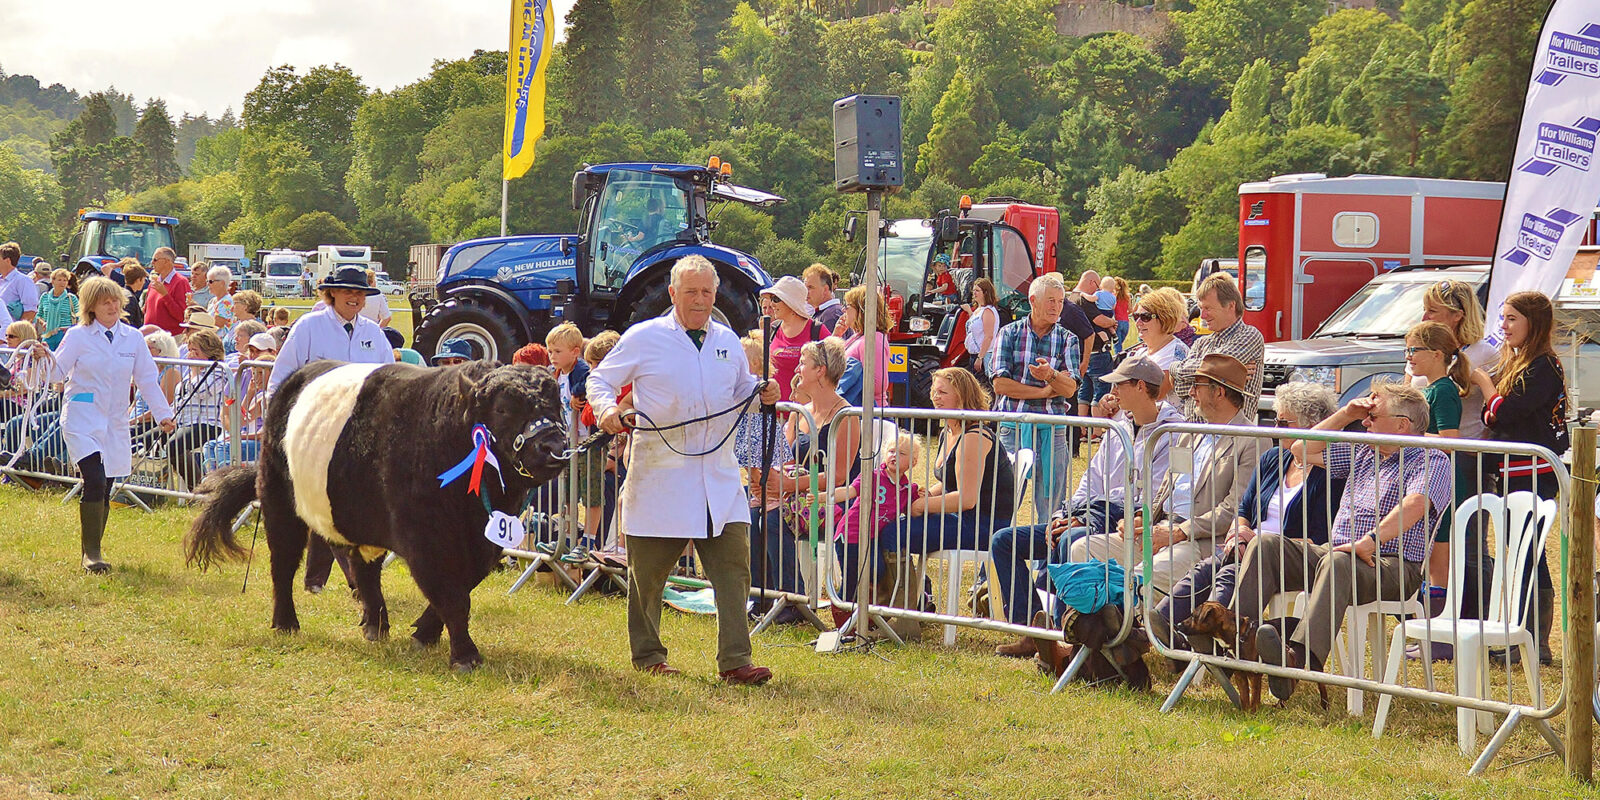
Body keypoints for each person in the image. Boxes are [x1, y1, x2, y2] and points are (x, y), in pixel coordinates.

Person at [589, 254, 780, 685]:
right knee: (649, 577)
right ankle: (648, 655)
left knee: (733, 571)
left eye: (707, 292)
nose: (700, 300)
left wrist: (762, 391)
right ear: (673, 293)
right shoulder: (644, 337)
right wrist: (605, 410)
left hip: (718, 474)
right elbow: (599, 380)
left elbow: (741, 391)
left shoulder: (728, 341)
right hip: (661, 473)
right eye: (691, 291)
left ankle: (736, 660)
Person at [1242, 382, 1453, 701]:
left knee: (1338, 561)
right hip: (1338, 553)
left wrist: (1368, 542)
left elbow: (1415, 505)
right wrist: (1344, 413)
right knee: (1266, 545)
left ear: (1401, 425)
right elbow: (1300, 449)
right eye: (1364, 415)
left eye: (1372, 415)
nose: (1365, 422)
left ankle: (1298, 660)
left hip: (1393, 565)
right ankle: (1236, 639)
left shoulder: (1430, 459)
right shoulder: (1363, 450)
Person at [989, 356, 1184, 658]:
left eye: (1120, 384)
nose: (1113, 391)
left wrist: (1085, 519)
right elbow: (1091, 477)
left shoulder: (1174, 432)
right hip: (1092, 512)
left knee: (1070, 541)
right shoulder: (1118, 427)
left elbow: (1155, 496)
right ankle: (1032, 630)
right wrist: (1065, 514)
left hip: (1125, 519)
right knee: (1004, 541)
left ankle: (1063, 636)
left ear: (1141, 387)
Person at [1147, 382, 1342, 650]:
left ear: (1313, 427)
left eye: (1284, 423)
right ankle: (1164, 623)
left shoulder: (1332, 473)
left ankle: (1210, 637)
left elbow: (1321, 537)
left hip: (1292, 557)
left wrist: (1258, 542)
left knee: (1229, 570)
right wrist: (1240, 532)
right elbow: (1243, 509)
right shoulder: (1274, 458)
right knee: (1208, 567)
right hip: (1249, 547)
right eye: (1275, 420)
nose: (1275, 429)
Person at [1070, 354, 1260, 596]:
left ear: (1219, 393)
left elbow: (1234, 508)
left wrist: (1181, 531)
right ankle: (1088, 624)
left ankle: (1114, 627)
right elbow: (1165, 489)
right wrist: (1141, 518)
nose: (1190, 393)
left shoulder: (1251, 440)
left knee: (1141, 577)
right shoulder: (1188, 432)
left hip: (1197, 541)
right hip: (1160, 529)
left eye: (1196, 386)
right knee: (1082, 548)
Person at [26, 277, 175, 572]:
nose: (112, 305)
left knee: (106, 485)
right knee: (93, 479)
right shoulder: (78, 335)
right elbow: (56, 372)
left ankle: (92, 547)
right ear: (91, 306)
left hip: (115, 421)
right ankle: (91, 554)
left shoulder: (132, 338)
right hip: (82, 417)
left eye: (115, 300)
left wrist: (163, 414)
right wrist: (42, 358)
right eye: (104, 301)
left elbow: (146, 378)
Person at [1469, 290, 1566, 664]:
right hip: (1513, 470)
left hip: (1534, 473)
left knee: (1529, 554)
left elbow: (1501, 414)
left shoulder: (1543, 365)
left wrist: (1483, 382)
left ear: (1534, 323)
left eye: (1512, 319)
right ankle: (1525, 640)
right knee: (1523, 553)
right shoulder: (1520, 360)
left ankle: (1532, 643)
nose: (1504, 326)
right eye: (1502, 318)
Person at [989, 272, 1079, 520]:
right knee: (1004, 505)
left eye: (1060, 301)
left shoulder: (1068, 339)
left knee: (1052, 510)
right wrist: (1043, 390)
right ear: (1033, 300)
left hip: (1053, 431)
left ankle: (1046, 560)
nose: (1056, 306)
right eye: (1050, 300)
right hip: (1013, 428)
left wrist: (1050, 375)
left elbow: (1070, 389)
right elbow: (1000, 385)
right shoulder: (1008, 333)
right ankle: (997, 557)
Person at [822, 431, 923, 606]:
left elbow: (915, 509)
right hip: (851, 534)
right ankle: (841, 610)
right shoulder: (873, 476)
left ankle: (864, 608)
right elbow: (849, 492)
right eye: (891, 451)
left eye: (902, 453)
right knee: (852, 577)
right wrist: (823, 497)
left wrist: (925, 496)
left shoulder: (907, 489)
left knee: (876, 570)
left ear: (912, 462)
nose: (894, 456)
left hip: (872, 538)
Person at [266, 265, 396, 398]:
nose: (354, 298)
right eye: (347, 291)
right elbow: (282, 375)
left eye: (359, 293)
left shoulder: (374, 332)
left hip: (364, 415)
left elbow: (390, 378)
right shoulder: (308, 326)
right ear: (333, 292)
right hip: (316, 413)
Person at [1171, 273, 1264, 420]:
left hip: (1230, 437)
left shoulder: (1249, 335)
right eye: (1201, 308)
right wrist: (1182, 371)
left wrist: (1178, 370)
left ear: (1230, 305)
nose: (1202, 315)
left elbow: (1213, 369)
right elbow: (1181, 389)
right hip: (1195, 436)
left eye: (1208, 308)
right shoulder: (1201, 342)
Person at [167, 329, 229, 490]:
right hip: (184, 423)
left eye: (196, 351)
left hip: (208, 425)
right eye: (189, 350)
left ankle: (199, 490)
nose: (191, 355)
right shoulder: (190, 373)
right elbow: (179, 400)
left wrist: (194, 370)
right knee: (149, 437)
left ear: (209, 352)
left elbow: (201, 392)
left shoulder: (219, 371)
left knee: (174, 445)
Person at [762, 275, 829, 404]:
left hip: (806, 416)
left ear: (790, 302)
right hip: (774, 415)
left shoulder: (817, 330)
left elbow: (834, 370)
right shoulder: (772, 329)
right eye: (771, 299)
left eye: (775, 299)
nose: (771, 304)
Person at [836, 285, 892, 406]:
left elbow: (877, 384)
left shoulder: (874, 338)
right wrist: (836, 335)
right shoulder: (857, 337)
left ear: (861, 310)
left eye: (847, 306)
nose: (843, 310)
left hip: (870, 413)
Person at [143, 247, 192, 337]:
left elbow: (182, 316)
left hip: (170, 339)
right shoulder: (154, 283)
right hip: (151, 338)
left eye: (155, 259)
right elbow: (146, 310)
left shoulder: (180, 282)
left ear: (167, 261)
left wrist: (165, 295)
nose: (152, 263)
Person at [963, 277, 1001, 381]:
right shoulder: (978, 310)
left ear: (985, 293)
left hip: (983, 356)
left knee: (982, 388)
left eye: (977, 291)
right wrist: (969, 312)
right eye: (973, 290)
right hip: (973, 355)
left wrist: (980, 358)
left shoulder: (988, 311)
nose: (974, 293)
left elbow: (988, 336)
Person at [36, 269, 79, 349]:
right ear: (53, 281)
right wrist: (43, 323)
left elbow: (79, 317)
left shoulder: (71, 298)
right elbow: (39, 315)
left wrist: (70, 328)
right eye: (59, 280)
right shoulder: (45, 297)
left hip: (65, 335)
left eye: (65, 280)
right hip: (48, 334)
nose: (62, 283)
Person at [0, 242, 39, 324]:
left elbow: (30, 312)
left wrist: (15, 334)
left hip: (11, 334)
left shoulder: (23, 281)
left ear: (7, 261)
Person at [805, 263, 843, 332]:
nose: (806, 292)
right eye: (805, 287)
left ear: (825, 289)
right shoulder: (826, 313)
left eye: (810, 287)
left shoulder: (831, 316)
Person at [203, 265, 236, 342]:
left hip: (220, 343)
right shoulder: (212, 301)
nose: (208, 284)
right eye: (207, 281)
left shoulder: (226, 302)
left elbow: (217, 323)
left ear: (222, 283)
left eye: (211, 281)